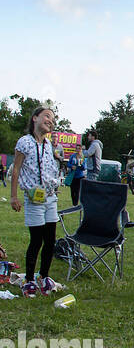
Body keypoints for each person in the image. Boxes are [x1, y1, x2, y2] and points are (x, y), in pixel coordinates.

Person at [8, 106, 65, 297]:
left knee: (50, 240)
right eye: (47, 116)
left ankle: (44, 276)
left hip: (50, 198)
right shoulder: (24, 142)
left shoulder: (48, 144)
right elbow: (16, 169)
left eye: (53, 118)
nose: (51, 120)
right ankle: (30, 279)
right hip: (34, 199)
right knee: (37, 240)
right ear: (34, 119)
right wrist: (14, 196)